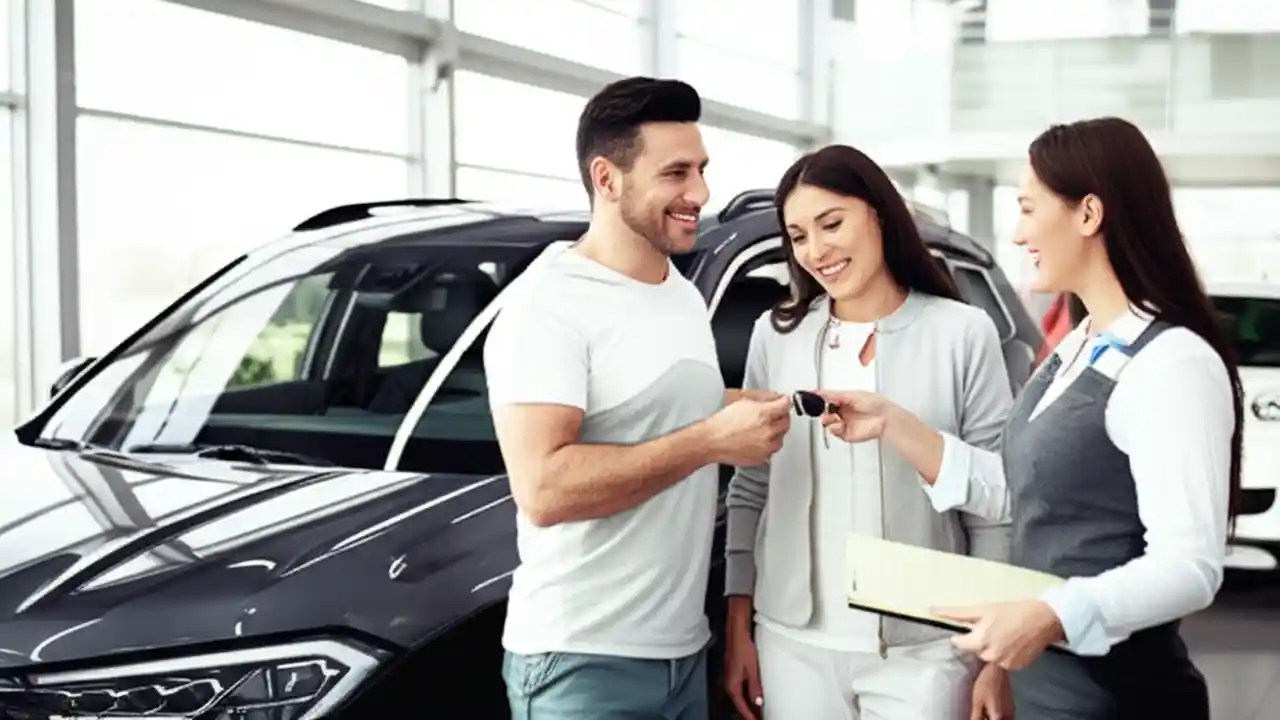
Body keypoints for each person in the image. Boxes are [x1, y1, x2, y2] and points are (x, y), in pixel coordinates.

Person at [820, 118, 1241, 720]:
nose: (1018, 234)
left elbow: (1189, 568)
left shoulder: (1170, 363)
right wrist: (894, 424)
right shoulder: (1080, 345)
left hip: (1116, 696)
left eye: (1027, 208)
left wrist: (1048, 616)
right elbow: (1029, 497)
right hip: (1047, 679)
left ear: (1089, 213)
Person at [484, 76, 793, 719]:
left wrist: (755, 405)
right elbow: (543, 488)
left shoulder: (675, 289)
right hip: (583, 664)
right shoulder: (549, 303)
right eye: (676, 173)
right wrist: (712, 440)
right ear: (607, 177)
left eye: (702, 170)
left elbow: (652, 408)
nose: (700, 194)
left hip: (681, 652)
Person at [722, 143, 1017, 720]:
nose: (817, 250)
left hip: (928, 649)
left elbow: (995, 507)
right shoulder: (774, 336)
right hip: (792, 641)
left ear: (878, 215)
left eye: (832, 224)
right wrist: (740, 624)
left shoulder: (962, 333)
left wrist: (995, 660)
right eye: (799, 235)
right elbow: (750, 487)